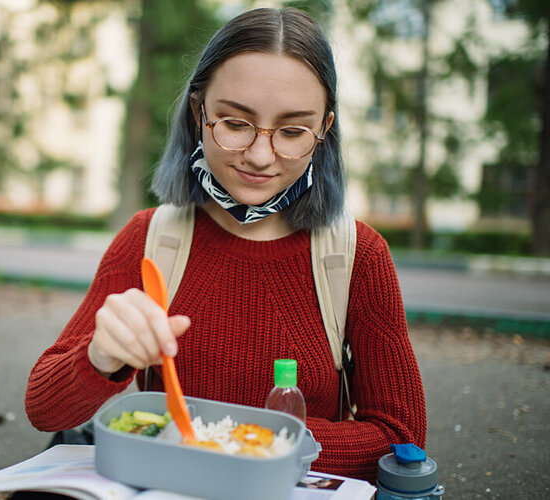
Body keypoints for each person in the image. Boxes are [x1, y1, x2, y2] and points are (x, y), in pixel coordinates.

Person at [25, 7, 426, 482]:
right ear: (199, 113)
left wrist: (247, 444)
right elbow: (44, 409)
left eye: (292, 132)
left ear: (325, 130)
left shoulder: (358, 255)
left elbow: (402, 438)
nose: (260, 155)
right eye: (235, 123)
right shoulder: (149, 239)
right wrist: (99, 358)